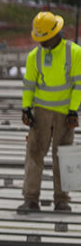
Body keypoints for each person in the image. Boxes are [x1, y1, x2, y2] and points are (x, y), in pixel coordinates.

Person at [19, 11, 81, 213]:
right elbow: (29, 85)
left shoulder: (74, 53)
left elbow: (78, 85)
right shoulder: (34, 56)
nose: (42, 42)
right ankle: (30, 198)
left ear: (56, 33)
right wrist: (26, 108)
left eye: (44, 38)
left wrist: (73, 111)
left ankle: (62, 200)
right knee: (34, 154)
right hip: (41, 114)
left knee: (64, 156)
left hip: (65, 114)